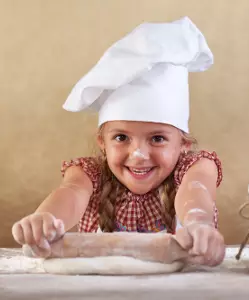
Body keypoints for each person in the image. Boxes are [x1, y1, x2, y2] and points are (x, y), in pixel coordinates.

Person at [11, 16, 225, 267]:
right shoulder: (89, 174)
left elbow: (196, 190)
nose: (138, 155)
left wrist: (199, 224)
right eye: (121, 137)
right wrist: (45, 219)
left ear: (183, 145)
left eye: (157, 138)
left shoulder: (195, 167)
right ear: (102, 142)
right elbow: (71, 193)